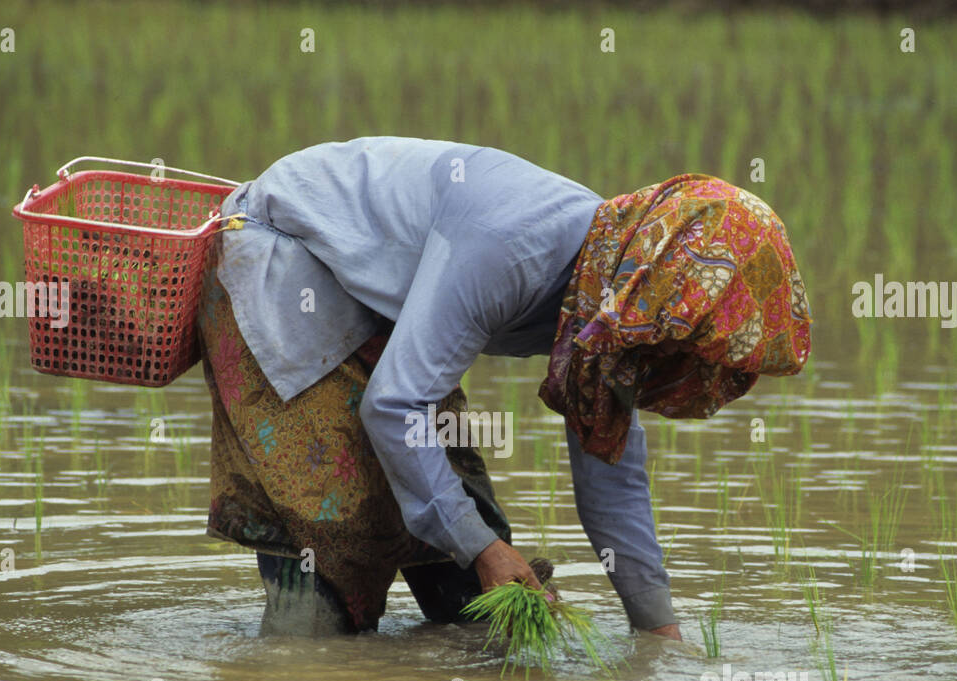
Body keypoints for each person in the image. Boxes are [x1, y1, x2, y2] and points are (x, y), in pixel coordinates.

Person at [194, 136, 812, 639]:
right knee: (331, 544)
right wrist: (484, 549)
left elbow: (611, 468)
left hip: (375, 304)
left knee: (474, 595)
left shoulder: (615, 296)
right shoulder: (513, 247)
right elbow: (395, 405)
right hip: (284, 254)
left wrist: (657, 631)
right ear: (663, 290)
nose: (676, 361)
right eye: (683, 339)